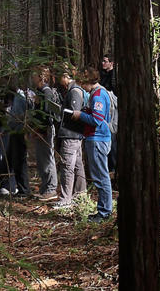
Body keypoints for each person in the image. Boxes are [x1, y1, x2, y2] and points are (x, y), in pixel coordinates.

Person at [68, 66, 112, 221]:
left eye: (83, 84)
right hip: (95, 139)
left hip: (98, 139)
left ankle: (104, 212)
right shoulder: (96, 93)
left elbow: (97, 120)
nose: (82, 87)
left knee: (101, 176)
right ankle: (103, 210)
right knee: (99, 175)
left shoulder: (98, 95)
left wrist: (80, 115)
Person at [54, 66, 86, 207]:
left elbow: (75, 113)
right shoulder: (73, 90)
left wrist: (61, 111)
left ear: (66, 77)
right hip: (74, 134)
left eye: (60, 77)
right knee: (78, 165)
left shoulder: (74, 91)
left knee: (67, 166)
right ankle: (80, 195)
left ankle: (66, 199)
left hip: (71, 134)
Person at [30, 67, 58, 200]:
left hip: (45, 131)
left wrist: (40, 130)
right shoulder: (39, 92)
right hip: (38, 130)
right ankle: (44, 188)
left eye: (34, 75)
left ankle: (51, 188)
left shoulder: (47, 92)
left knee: (47, 159)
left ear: (40, 77)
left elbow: (47, 115)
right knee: (41, 160)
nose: (32, 78)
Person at [100, 54, 117, 175]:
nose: (103, 63)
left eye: (105, 61)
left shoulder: (114, 75)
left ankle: (113, 166)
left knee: (112, 136)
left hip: (113, 109)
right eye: (103, 61)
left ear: (111, 63)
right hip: (105, 109)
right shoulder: (103, 75)